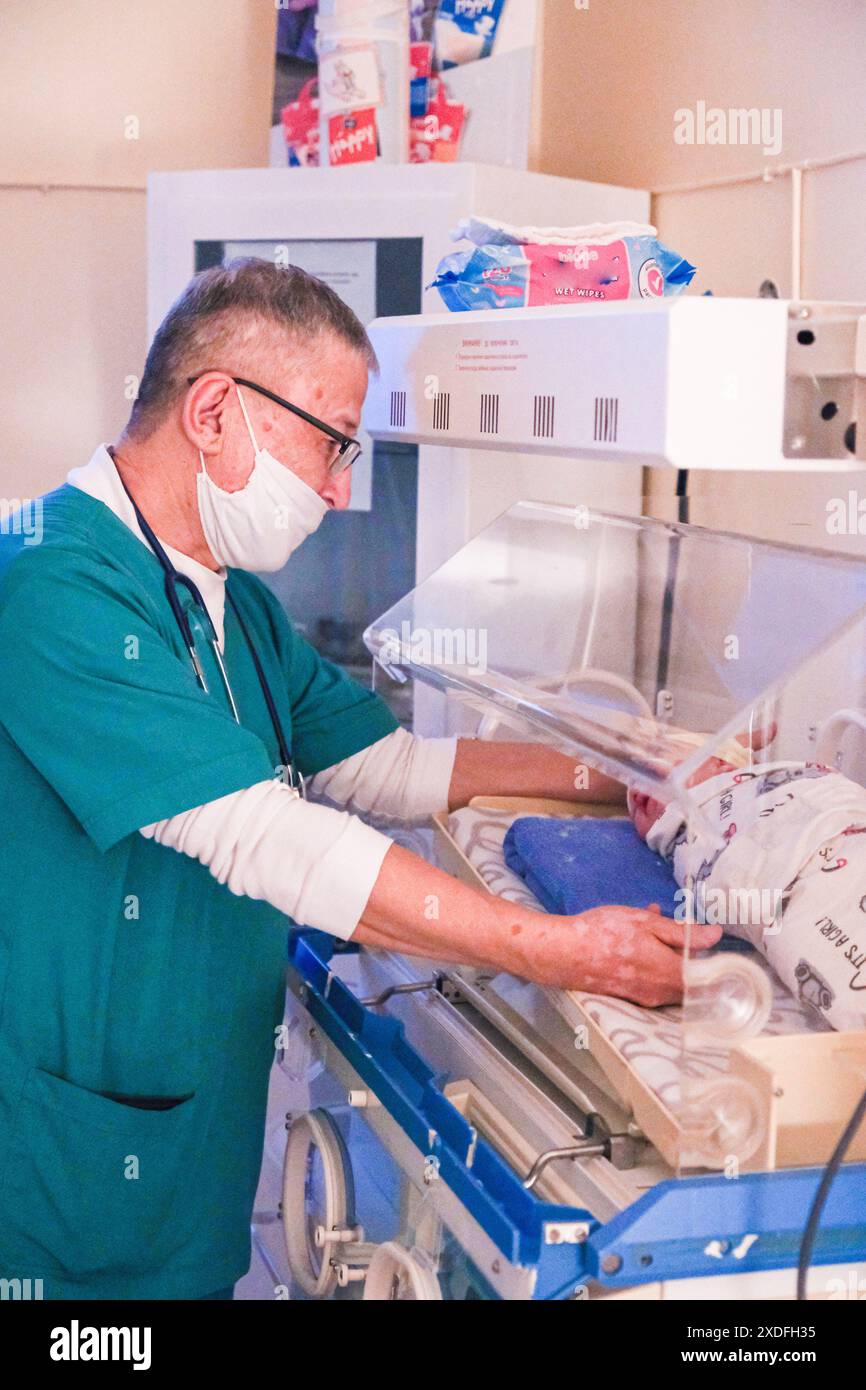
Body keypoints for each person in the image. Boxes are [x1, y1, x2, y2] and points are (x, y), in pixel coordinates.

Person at [0, 258, 715, 1300]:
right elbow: (266, 835)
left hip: (188, 1141)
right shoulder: (51, 584)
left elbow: (391, 768)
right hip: (67, 1175)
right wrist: (565, 949)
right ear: (213, 408)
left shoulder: (229, 601)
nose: (341, 492)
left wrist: (629, 770)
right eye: (332, 445)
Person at [629, 760, 866, 1031]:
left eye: (658, 775)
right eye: (634, 806)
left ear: (720, 765)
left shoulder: (785, 779)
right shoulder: (690, 845)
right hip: (789, 891)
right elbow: (721, 876)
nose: (638, 791)